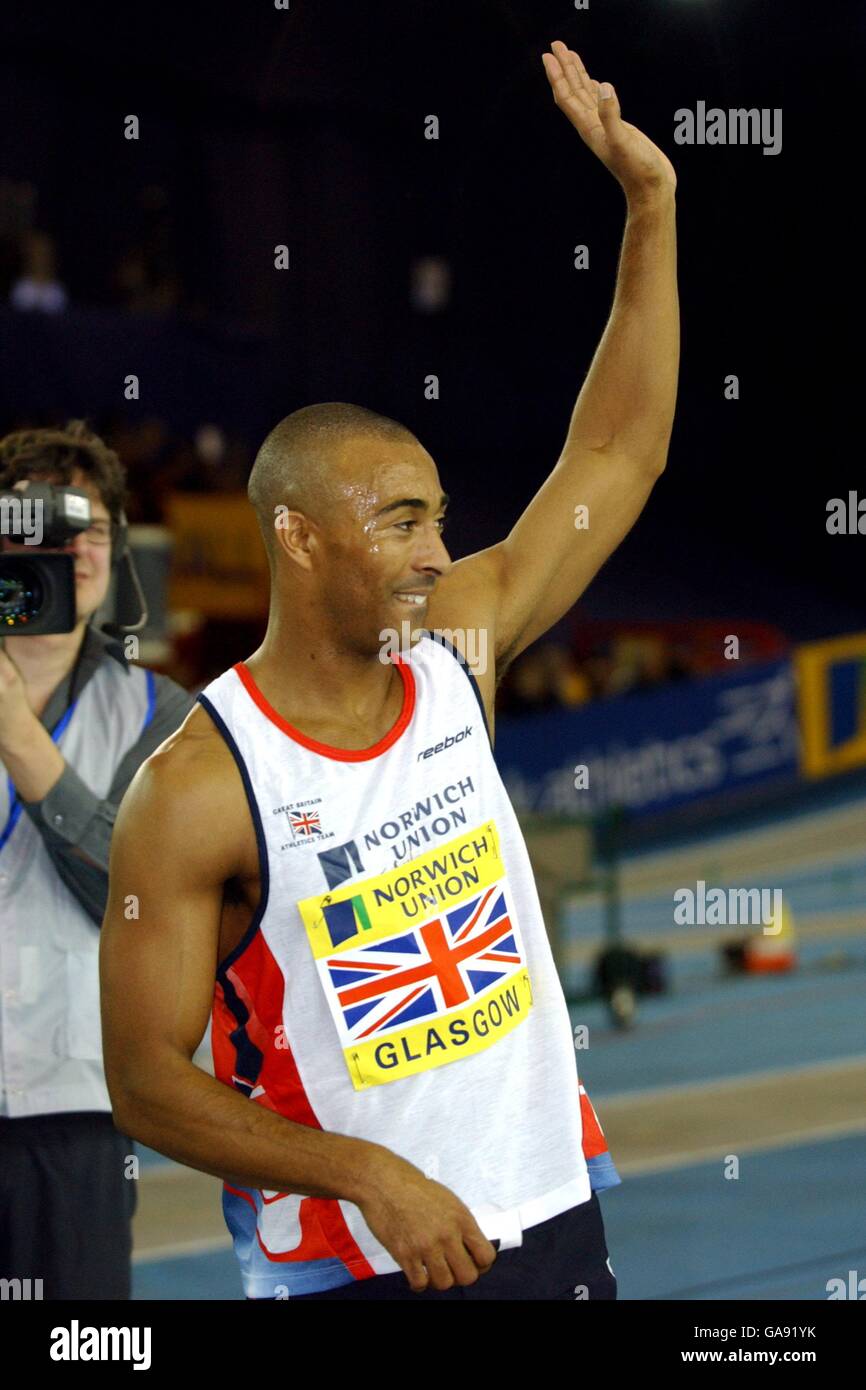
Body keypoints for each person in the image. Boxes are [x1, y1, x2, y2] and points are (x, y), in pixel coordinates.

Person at [100, 41, 678, 1300]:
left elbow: (617, 455)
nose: (436, 553)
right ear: (296, 537)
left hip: (548, 1213)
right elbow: (144, 1078)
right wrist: (365, 1172)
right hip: (358, 1267)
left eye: (438, 518)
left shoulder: (455, 658)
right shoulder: (201, 785)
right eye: (401, 520)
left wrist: (649, 210)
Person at [0, 421, 196, 1299]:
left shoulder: (161, 712)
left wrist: (22, 745)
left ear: (115, 552)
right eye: (42, 523)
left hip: (71, 1106)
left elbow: (138, 899)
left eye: (93, 527)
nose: (70, 547)